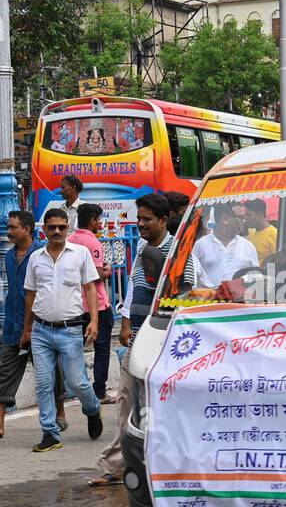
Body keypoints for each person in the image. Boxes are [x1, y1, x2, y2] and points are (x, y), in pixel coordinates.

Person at [90, 192, 187, 486]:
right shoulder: (143, 250)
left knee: (165, 408)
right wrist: (127, 324)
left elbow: (186, 295)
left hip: (166, 343)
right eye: (139, 218)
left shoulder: (178, 253)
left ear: (164, 220)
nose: (141, 224)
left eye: (147, 219)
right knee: (127, 402)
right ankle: (119, 465)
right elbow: (134, 291)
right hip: (139, 341)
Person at [22, 208, 104, 452]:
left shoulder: (80, 254)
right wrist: (27, 328)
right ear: (44, 229)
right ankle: (50, 432)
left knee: (77, 382)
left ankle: (92, 409)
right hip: (41, 331)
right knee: (44, 384)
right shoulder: (36, 257)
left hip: (70, 329)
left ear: (67, 228)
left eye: (61, 227)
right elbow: (30, 295)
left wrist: (94, 321)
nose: (57, 231)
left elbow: (90, 288)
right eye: (52, 227)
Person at [0, 210, 64, 438]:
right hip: (13, 324)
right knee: (7, 370)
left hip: (40, 325)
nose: (8, 232)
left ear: (27, 229)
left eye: (13, 227)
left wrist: (30, 327)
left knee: (53, 371)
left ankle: (60, 411)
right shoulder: (10, 256)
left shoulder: (42, 254)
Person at [69, 202, 116, 402]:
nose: (100, 223)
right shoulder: (93, 243)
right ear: (92, 220)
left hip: (75, 304)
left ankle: (78, 389)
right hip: (96, 304)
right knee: (102, 349)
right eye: (98, 220)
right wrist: (106, 272)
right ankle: (99, 391)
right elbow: (95, 275)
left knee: (73, 350)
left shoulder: (70, 240)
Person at [192, 206, 258, 287]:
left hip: (240, 298)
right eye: (240, 218)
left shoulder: (248, 245)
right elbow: (194, 275)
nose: (244, 221)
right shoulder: (200, 245)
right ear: (225, 219)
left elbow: (255, 275)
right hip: (209, 298)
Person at [243, 199, 277, 263]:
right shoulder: (251, 232)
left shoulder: (274, 234)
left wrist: (270, 273)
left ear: (259, 215)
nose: (245, 218)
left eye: (248, 214)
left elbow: (274, 261)